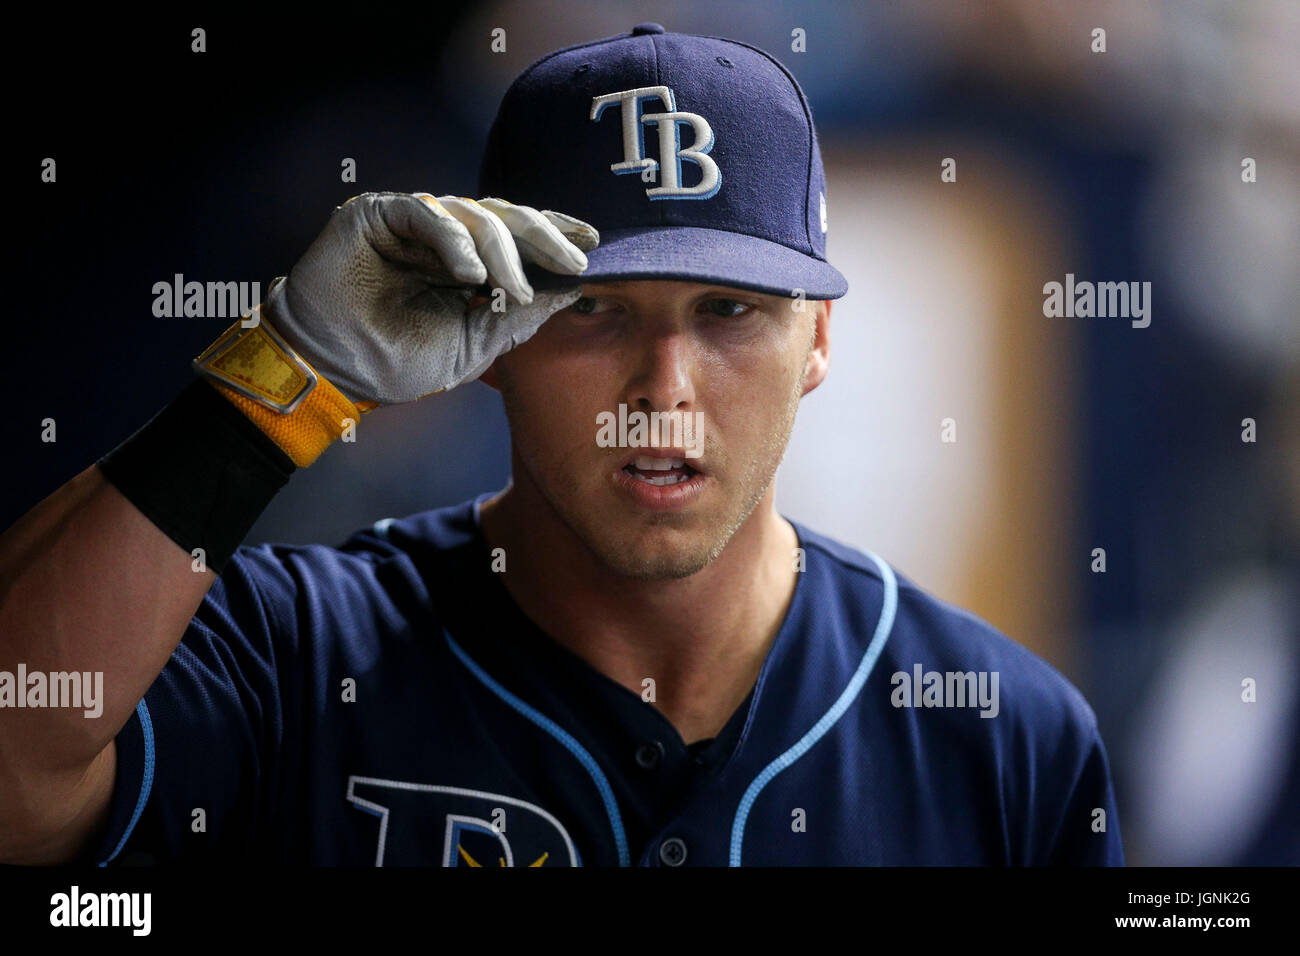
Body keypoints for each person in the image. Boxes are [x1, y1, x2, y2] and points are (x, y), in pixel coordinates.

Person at [0, 23, 1123, 867]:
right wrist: (282, 375)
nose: (663, 387)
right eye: (590, 311)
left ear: (819, 339)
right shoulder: (302, 652)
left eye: (729, 312)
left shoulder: (997, 727)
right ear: (488, 337)